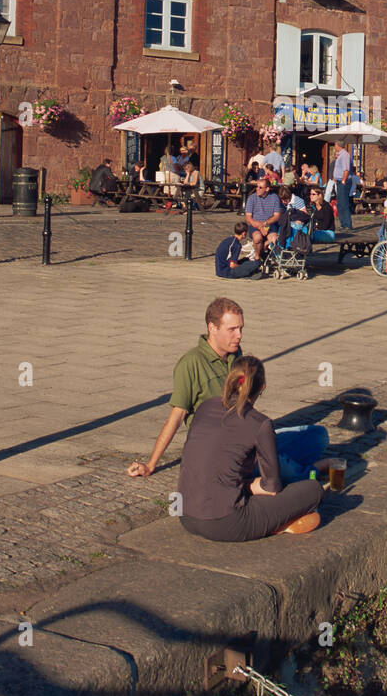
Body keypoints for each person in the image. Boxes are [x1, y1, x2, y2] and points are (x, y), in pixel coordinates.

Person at [127, 299, 329, 482]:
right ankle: (306, 472)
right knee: (289, 472)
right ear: (212, 328)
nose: (239, 335)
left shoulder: (235, 354)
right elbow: (177, 416)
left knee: (319, 436)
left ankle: (273, 460)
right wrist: (151, 464)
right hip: (225, 450)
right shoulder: (191, 363)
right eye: (232, 329)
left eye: (241, 328)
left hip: (247, 436)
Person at [178, 356, 323, 541]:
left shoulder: (205, 407)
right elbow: (272, 487)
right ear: (262, 386)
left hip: (186, 515)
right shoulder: (260, 423)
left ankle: (272, 519)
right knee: (313, 489)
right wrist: (250, 485)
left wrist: (241, 485)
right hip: (226, 523)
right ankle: (277, 522)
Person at [245, 178, 283, 259]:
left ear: (267, 189)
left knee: (274, 239)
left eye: (260, 187)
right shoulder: (251, 198)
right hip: (255, 224)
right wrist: (259, 226)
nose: (257, 189)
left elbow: (277, 216)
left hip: (270, 224)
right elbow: (248, 217)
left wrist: (265, 224)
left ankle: (264, 248)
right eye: (257, 186)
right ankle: (257, 257)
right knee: (257, 237)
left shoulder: (274, 197)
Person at [332, 142, 353, 231]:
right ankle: (343, 224)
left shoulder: (345, 155)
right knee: (339, 203)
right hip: (339, 181)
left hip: (343, 181)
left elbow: (346, 169)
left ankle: (347, 224)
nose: (334, 146)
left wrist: (343, 180)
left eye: (335, 145)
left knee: (343, 203)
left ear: (338, 145)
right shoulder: (340, 155)